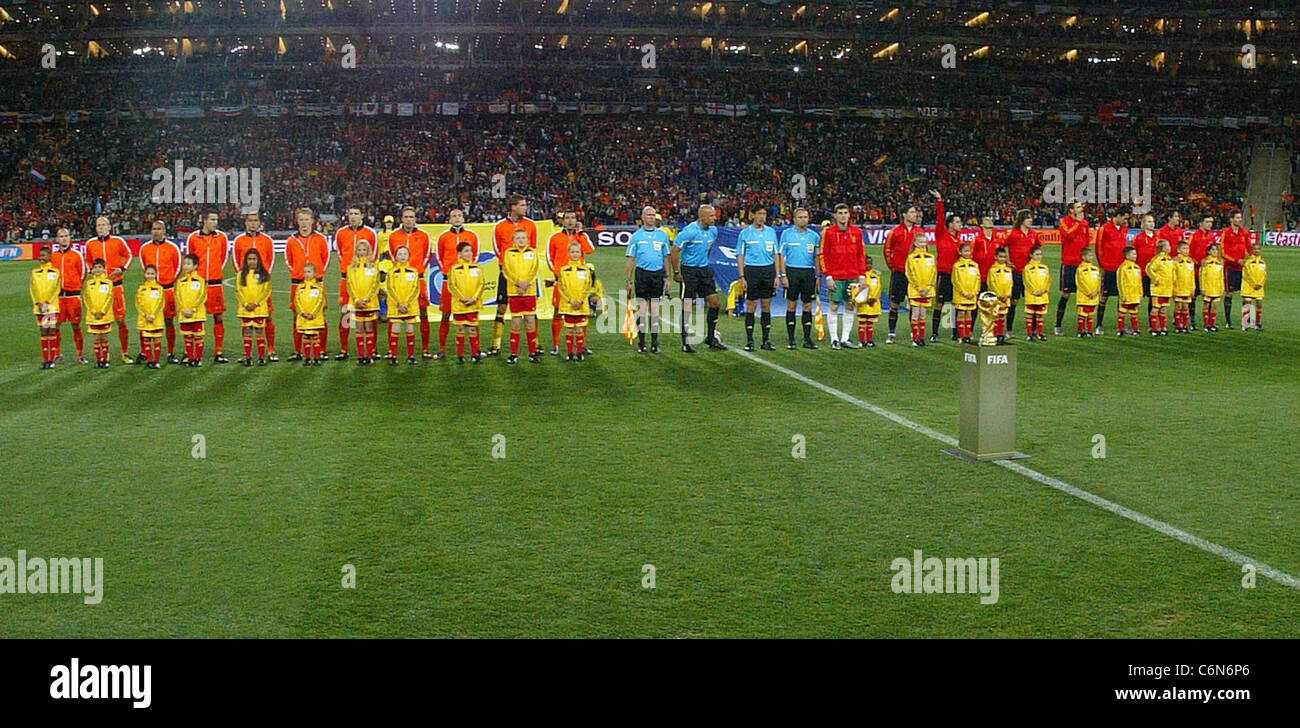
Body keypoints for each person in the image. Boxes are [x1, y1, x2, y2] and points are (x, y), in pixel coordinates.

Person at [670, 204, 726, 352]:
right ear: (702, 217)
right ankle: (685, 342)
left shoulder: (713, 231)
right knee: (687, 305)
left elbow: (708, 248)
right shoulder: (689, 232)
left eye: (715, 215)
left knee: (715, 303)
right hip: (689, 271)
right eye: (711, 216)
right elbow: (675, 251)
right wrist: (676, 272)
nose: (715, 218)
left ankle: (710, 337)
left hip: (704, 270)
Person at [491, 195, 538, 355]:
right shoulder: (500, 226)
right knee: (502, 307)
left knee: (531, 311)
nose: (525, 208)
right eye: (522, 205)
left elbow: (534, 248)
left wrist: (525, 278)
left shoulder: (531, 225)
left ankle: (535, 345)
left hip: (527, 274)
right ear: (513, 207)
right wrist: (509, 269)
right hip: (508, 273)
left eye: (525, 205)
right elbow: (498, 249)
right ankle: (496, 345)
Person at [85, 215, 134, 363]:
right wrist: (90, 271)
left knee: (121, 320)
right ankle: (102, 354)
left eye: (103, 225)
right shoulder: (90, 243)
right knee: (99, 321)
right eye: (98, 225)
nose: (100, 228)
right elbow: (87, 260)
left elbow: (129, 255)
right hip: (99, 289)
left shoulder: (118, 241)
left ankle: (124, 353)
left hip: (116, 286)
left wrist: (122, 268)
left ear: (109, 227)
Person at [386, 206, 434, 358]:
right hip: (399, 280)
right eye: (406, 217)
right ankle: (391, 350)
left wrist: (417, 271)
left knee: (423, 313)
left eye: (411, 217)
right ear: (401, 219)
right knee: (394, 314)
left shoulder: (423, 235)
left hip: (417, 279)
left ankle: (425, 348)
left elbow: (427, 256)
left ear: (415, 219)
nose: (409, 220)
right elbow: (391, 255)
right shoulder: (393, 236)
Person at [546, 211, 595, 355]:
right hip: (562, 281)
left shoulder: (581, 236)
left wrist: (581, 234)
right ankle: (556, 345)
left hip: (579, 282)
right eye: (567, 218)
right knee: (557, 312)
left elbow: (590, 250)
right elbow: (549, 257)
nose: (570, 221)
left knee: (582, 312)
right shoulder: (554, 237)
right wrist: (558, 275)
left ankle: (582, 344)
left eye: (573, 218)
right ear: (562, 221)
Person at [285, 207, 331, 361]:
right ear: (297, 222)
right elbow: (288, 260)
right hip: (297, 283)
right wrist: (297, 274)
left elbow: (326, 258)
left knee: (320, 315)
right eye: (301, 220)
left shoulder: (320, 238)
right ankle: (298, 351)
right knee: (297, 316)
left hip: (317, 283)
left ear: (312, 221)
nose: (304, 223)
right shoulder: (292, 240)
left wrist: (317, 277)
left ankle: (322, 350)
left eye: (306, 219)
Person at [819, 203, 866, 350]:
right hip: (836, 276)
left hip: (852, 276)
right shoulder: (829, 233)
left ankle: (845, 338)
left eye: (845, 212)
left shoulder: (857, 232)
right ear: (835, 215)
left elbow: (861, 255)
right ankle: (834, 339)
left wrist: (862, 275)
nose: (843, 215)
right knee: (834, 305)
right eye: (840, 213)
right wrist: (828, 276)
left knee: (850, 305)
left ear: (849, 214)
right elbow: (823, 255)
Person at [624, 205, 670, 354]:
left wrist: (668, 276)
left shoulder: (662, 236)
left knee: (655, 310)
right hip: (642, 274)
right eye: (648, 215)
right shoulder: (637, 236)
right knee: (642, 310)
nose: (651, 217)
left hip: (657, 274)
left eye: (653, 215)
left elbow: (666, 257)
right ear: (643, 217)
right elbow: (631, 259)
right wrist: (628, 280)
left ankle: (655, 342)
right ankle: (642, 343)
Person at [334, 205, 378, 360]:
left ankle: (373, 349)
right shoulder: (341, 233)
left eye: (356, 214)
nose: (353, 216)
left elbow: (375, 254)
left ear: (362, 216)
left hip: (366, 281)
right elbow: (340, 253)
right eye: (350, 213)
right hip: (347, 280)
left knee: (371, 316)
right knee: (345, 314)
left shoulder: (370, 233)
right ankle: (344, 348)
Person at [435, 208, 480, 358]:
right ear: (449, 219)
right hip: (449, 283)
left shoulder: (472, 236)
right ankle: (442, 348)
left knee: (473, 315)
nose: (457, 218)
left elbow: (476, 255)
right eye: (453, 216)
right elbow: (439, 257)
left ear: (464, 218)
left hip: (468, 282)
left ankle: (476, 349)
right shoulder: (444, 237)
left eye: (459, 215)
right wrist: (447, 272)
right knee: (445, 314)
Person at [187, 210, 230, 363]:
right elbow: (190, 259)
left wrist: (216, 272)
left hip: (215, 283)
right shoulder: (193, 238)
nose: (215, 223)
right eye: (212, 219)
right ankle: (193, 351)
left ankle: (218, 351)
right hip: (198, 285)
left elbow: (223, 257)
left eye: (216, 220)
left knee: (218, 317)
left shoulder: (222, 237)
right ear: (204, 220)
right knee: (195, 318)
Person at [776, 206, 821, 350]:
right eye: (800, 217)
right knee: (792, 304)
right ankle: (791, 339)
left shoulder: (814, 236)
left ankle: (807, 339)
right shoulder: (787, 234)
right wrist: (783, 275)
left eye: (805, 217)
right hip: (792, 272)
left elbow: (816, 257)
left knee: (807, 305)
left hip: (808, 273)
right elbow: (781, 256)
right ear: (794, 219)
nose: (803, 220)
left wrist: (818, 275)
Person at [736, 205, 779, 351]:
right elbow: (740, 255)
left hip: (768, 271)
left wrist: (777, 275)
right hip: (752, 271)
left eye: (764, 214)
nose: (762, 217)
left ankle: (766, 340)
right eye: (759, 213)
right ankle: (749, 341)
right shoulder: (745, 233)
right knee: (751, 305)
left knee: (766, 305)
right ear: (752, 215)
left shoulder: (771, 232)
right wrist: (742, 276)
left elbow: (776, 254)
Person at [139, 220, 183, 363]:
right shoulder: (144, 248)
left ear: (164, 231)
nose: (156, 231)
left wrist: (168, 282)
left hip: (167, 289)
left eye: (159, 229)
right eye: (153, 229)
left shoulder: (172, 247)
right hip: (150, 291)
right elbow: (144, 267)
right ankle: (145, 352)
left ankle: (170, 353)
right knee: (147, 320)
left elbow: (178, 267)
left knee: (169, 321)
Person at [882, 204, 922, 344]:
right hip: (899, 272)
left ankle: (914, 333)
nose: (915, 214)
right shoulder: (895, 232)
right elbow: (887, 250)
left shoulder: (919, 232)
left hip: (915, 274)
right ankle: (891, 333)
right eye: (911, 212)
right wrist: (893, 266)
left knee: (914, 303)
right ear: (904, 215)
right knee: (895, 304)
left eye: (915, 212)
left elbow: (925, 251)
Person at [502, 228, 542, 363]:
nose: (521, 240)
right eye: (518, 238)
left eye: (523, 238)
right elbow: (506, 271)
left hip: (529, 292)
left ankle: (533, 352)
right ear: (513, 240)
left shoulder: (533, 252)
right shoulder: (508, 253)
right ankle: (514, 354)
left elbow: (535, 270)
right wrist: (518, 283)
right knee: (516, 323)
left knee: (530, 322)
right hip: (514, 292)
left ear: (528, 239)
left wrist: (526, 284)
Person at [50, 227, 88, 364]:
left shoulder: (77, 255)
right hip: (58, 297)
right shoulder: (53, 256)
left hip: (73, 296)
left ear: (69, 238)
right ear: (57, 239)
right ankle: (57, 353)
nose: (64, 239)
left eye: (66, 236)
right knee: (55, 326)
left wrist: (76, 287)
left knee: (76, 326)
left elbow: (83, 273)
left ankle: (80, 354)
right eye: (61, 236)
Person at [556, 240, 597, 362]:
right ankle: (570, 353)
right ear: (568, 253)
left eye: (577, 252)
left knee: (579, 329)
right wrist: (570, 300)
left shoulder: (586, 270)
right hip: (569, 305)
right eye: (572, 252)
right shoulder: (564, 270)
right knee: (569, 329)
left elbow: (589, 287)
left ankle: (579, 353)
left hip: (581, 305)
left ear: (581, 253)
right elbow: (561, 287)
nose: (575, 254)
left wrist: (580, 300)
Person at [929, 191, 961, 342]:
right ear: (950, 224)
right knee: (940, 303)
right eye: (957, 222)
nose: (960, 224)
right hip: (943, 273)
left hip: (956, 276)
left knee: (956, 303)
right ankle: (934, 333)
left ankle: (956, 332)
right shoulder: (941, 234)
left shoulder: (959, 240)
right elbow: (940, 218)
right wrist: (940, 201)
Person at [446, 241, 485, 364]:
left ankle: (475, 354)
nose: (469, 253)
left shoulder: (477, 268)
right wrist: (462, 298)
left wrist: (474, 298)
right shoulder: (454, 268)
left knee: (473, 329)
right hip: (459, 304)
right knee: (461, 329)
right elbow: (451, 285)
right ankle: (460, 356)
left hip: (473, 304)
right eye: (466, 251)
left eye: (470, 251)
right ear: (460, 254)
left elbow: (481, 284)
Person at [1055, 200, 1090, 335]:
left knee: (1084, 295)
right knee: (1066, 294)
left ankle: (1084, 327)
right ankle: (1058, 325)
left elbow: (1086, 243)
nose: (1081, 209)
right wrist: (1078, 223)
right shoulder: (1064, 222)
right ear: (1071, 210)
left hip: (1082, 265)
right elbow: (1068, 235)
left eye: (1081, 206)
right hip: (1069, 264)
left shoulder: (1085, 223)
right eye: (1077, 207)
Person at [1001, 209, 1037, 340]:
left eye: (1031, 218)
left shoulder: (1034, 234)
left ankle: (1033, 330)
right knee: (1014, 301)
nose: (1031, 220)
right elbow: (1000, 246)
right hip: (1016, 272)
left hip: (1031, 274)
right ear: (1022, 220)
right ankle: (1009, 330)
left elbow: (1037, 248)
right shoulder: (1013, 234)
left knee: (1033, 301)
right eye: (1028, 218)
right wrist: (1006, 261)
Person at [346, 240, 382, 365]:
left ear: (369, 251)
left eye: (364, 250)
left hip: (370, 303)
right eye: (359, 250)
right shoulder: (351, 267)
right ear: (356, 251)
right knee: (359, 329)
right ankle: (361, 356)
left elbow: (375, 284)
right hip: (356, 303)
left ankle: (370, 355)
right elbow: (349, 285)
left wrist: (367, 299)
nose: (362, 252)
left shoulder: (373, 266)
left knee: (369, 328)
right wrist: (356, 300)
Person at [1095, 208, 1130, 335]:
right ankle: (1098, 325)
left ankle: (1121, 326)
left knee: (1122, 297)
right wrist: (1102, 266)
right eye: (1125, 218)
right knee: (1104, 297)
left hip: (1121, 268)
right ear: (1118, 216)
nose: (1126, 221)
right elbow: (1098, 248)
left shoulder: (1124, 229)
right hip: (1109, 268)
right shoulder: (1104, 228)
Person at [235, 248, 272, 365]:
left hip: (259, 309)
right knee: (247, 332)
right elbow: (238, 291)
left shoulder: (264, 274)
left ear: (258, 260)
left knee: (260, 331)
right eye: (249, 259)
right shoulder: (241, 274)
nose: (252, 261)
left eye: (254, 259)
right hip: (245, 309)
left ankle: (261, 357)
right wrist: (246, 304)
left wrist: (256, 303)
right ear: (246, 261)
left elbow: (266, 291)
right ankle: (248, 357)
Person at [385, 245, 421, 365]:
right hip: (396, 306)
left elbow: (416, 289)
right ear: (395, 257)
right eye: (400, 254)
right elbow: (390, 289)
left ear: (409, 256)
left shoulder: (414, 271)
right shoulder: (391, 272)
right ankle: (393, 356)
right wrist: (399, 303)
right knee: (395, 329)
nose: (402, 256)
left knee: (410, 329)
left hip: (410, 306)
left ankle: (411, 356)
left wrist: (407, 303)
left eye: (405, 254)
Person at [29, 244, 60, 369]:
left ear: (50, 256)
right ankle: (45, 359)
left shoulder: (56, 271)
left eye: (44, 255)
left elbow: (57, 289)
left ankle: (51, 359)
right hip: (39, 307)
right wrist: (37, 302)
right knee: (43, 331)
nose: (41, 257)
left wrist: (47, 303)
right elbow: (32, 289)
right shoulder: (35, 272)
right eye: (40, 255)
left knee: (51, 330)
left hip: (51, 306)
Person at [175, 253, 209, 367]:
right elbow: (178, 297)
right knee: (188, 337)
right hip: (184, 314)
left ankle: (198, 359)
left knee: (198, 337)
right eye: (184, 264)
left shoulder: (200, 280)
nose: (185, 266)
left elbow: (202, 296)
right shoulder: (180, 282)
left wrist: (193, 309)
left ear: (195, 266)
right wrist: (183, 309)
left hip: (197, 314)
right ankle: (190, 358)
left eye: (188, 264)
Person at [1219, 211, 1251, 330]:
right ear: (1231, 219)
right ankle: (1228, 321)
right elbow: (1223, 252)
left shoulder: (1244, 233)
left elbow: (1250, 248)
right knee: (1229, 293)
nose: (1240, 220)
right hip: (1230, 267)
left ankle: (1247, 322)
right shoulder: (1226, 233)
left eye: (1240, 218)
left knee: (1247, 294)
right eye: (1237, 218)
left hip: (1242, 268)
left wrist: (1253, 259)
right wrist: (1236, 260)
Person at [83, 259, 115, 368]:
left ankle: (105, 359)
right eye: (95, 267)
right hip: (93, 316)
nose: (97, 269)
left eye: (100, 267)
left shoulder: (108, 282)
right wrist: (93, 311)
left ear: (104, 269)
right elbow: (86, 298)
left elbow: (110, 297)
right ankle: (99, 360)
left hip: (105, 316)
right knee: (96, 338)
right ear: (92, 269)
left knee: (104, 337)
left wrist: (102, 311)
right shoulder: (89, 283)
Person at [904, 237, 936, 346]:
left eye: (924, 242)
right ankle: (915, 338)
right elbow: (910, 273)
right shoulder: (911, 257)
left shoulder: (931, 257)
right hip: (915, 290)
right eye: (920, 242)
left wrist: (927, 287)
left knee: (923, 315)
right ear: (915, 243)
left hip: (927, 290)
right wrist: (919, 288)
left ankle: (921, 338)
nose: (922, 244)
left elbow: (933, 273)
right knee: (915, 314)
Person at [1187, 215, 1217, 330]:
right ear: (1201, 223)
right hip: (1195, 272)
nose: (1210, 224)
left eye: (1211, 222)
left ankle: (1209, 323)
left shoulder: (1211, 236)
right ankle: (1192, 321)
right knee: (1193, 297)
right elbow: (1188, 254)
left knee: (1209, 297)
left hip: (1209, 273)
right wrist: (1198, 262)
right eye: (1207, 221)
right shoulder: (1194, 237)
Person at [135, 264, 166, 369]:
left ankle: (156, 360)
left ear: (156, 275)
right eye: (148, 273)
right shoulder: (141, 289)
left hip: (156, 319)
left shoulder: (159, 289)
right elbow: (138, 304)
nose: (150, 276)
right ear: (144, 274)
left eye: (152, 274)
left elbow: (160, 304)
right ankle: (149, 361)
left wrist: (153, 315)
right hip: (145, 319)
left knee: (157, 340)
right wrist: (145, 315)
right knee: (147, 340)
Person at [1132, 213, 1160, 323]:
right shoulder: (1138, 238)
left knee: (1153, 298)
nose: (1151, 224)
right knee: (1137, 298)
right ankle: (1134, 322)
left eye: (1152, 221)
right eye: (1149, 221)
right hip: (1141, 273)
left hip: (1154, 274)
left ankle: (1151, 322)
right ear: (1143, 224)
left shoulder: (1158, 237)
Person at [951, 243, 981, 344]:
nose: (967, 253)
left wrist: (975, 292)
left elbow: (978, 279)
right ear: (960, 252)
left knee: (969, 314)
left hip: (972, 295)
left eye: (969, 251)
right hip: (961, 295)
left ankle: (968, 335)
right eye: (965, 251)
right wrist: (964, 293)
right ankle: (961, 335)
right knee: (961, 313)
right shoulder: (957, 265)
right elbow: (955, 281)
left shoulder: (975, 265)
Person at [852, 255, 883, 347]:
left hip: (873, 303)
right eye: (866, 263)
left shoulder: (875, 276)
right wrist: (862, 300)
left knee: (870, 322)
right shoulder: (859, 276)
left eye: (870, 263)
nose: (868, 265)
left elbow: (878, 288)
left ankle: (869, 340)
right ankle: (862, 340)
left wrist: (874, 298)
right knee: (862, 322)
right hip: (863, 304)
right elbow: (855, 290)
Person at [1022, 244, 1051, 341]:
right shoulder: (1028, 268)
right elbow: (1027, 282)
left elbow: (1048, 280)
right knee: (1030, 314)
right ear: (1031, 255)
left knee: (1040, 314)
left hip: (1043, 295)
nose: (1039, 256)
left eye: (1040, 254)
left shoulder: (1045, 267)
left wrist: (1044, 290)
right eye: (1037, 254)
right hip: (1031, 295)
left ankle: (1040, 333)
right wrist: (1034, 291)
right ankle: (1030, 334)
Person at [986, 247, 1014, 345]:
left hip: (1005, 298)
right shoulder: (993, 270)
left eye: (1004, 257)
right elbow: (991, 284)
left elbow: (1010, 283)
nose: (1002, 259)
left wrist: (1007, 295)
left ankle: (1000, 334)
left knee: (1002, 316)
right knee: (995, 316)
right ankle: (993, 334)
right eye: (1000, 257)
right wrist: (998, 295)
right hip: (996, 298)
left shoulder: (1008, 270)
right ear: (996, 257)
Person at [1146, 240, 1173, 336]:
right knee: (1155, 308)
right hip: (1158, 289)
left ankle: (1163, 327)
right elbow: (1149, 269)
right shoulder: (1157, 259)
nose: (1170, 247)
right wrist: (1155, 279)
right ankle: (1154, 328)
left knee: (1164, 309)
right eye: (1168, 245)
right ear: (1163, 248)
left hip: (1167, 289)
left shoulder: (1170, 259)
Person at [1075, 247, 1102, 338]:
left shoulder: (1095, 268)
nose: (1091, 257)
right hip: (1084, 297)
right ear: (1083, 257)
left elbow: (1099, 281)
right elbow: (1080, 283)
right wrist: (1089, 292)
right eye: (1089, 256)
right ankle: (1081, 331)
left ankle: (1090, 331)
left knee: (1091, 315)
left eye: (1092, 255)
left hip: (1094, 296)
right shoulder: (1080, 269)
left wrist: (1096, 292)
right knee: (1082, 314)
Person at [1117, 246, 1143, 336]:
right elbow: (1120, 282)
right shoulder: (1123, 267)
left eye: (1136, 254)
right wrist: (1122, 294)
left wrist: (1140, 294)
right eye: (1133, 254)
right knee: (1122, 312)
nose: (1135, 256)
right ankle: (1120, 329)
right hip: (1126, 295)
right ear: (1127, 256)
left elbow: (1139, 282)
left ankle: (1135, 329)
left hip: (1135, 295)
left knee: (1134, 313)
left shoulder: (1137, 267)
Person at [1199, 243, 1225, 332]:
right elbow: (1202, 276)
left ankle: (1212, 324)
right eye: (1213, 250)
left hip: (1217, 287)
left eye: (1216, 250)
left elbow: (1222, 277)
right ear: (1209, 251)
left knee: (1214, 306)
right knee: (1206, 305)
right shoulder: (1205, 262)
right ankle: (1206, 324)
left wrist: (1222, 288)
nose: (1215, 252)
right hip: (1208, 287)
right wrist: (1202, 288)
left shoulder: (1220, 262)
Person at [1172, 241, 1196, 334]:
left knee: (1186, 307)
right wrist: (1173, 288)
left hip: (1187, 288)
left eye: (1187, 248)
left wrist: (1193, 288)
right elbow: (1173, 276)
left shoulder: (1190, 261)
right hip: (1178, 288)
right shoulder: (1175, 261)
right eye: (1184, 248)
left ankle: (1185, 326)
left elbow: (1192, 276)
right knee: (1178, 306)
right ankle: (1178, 326)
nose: (1186, 250)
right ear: (1178, 250)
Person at [1241, 246, 1267, 330]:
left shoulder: (1263, 262)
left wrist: (1260, 284)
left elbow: (1264, 275)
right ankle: (1246, 323)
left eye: (1258, 249)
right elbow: (1246, 275)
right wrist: (1253, 284)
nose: (1257, 250)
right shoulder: (1248, 262)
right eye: (1255, 249)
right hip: (1249, 286)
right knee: (1247, 304)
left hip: (1259, 287)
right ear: (1252, 251)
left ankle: (1257, 323)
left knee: (1259, 304)